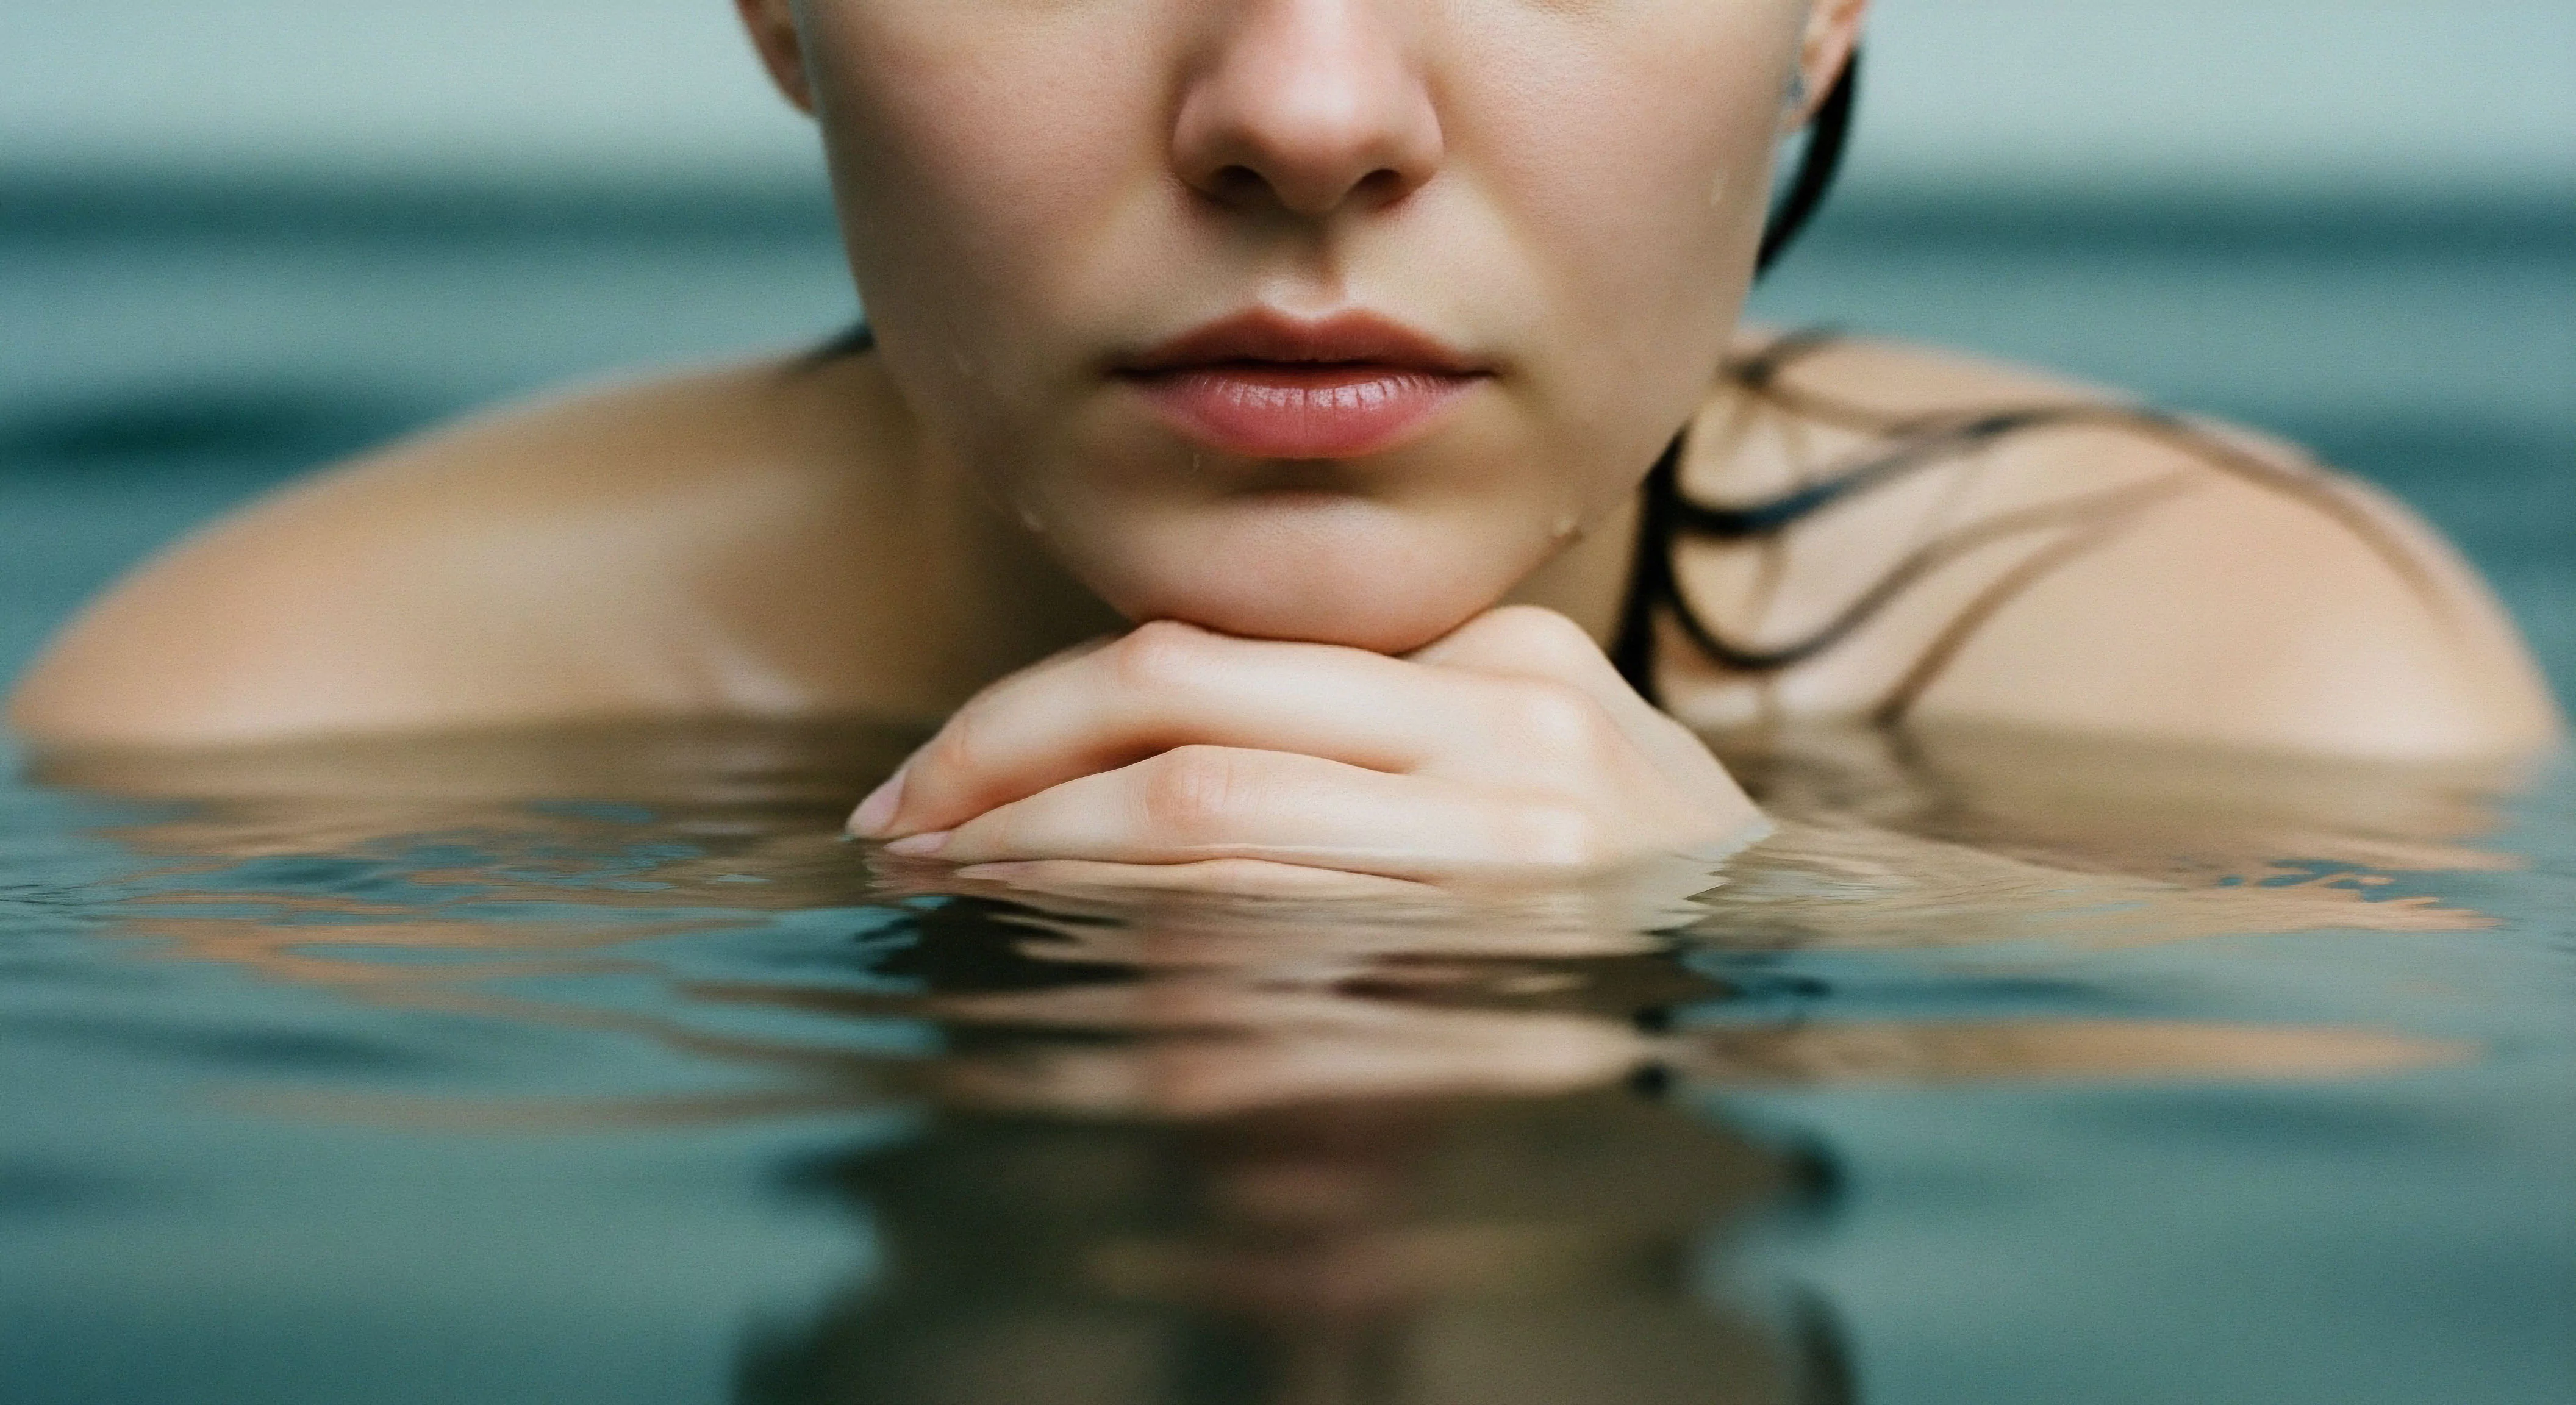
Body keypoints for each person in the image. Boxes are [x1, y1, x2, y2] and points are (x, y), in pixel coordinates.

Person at [7, 0, 2560, 897]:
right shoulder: (228, 740)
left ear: (1827, 3)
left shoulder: (2295, 700)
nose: (1310, 110)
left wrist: (1755, 916)